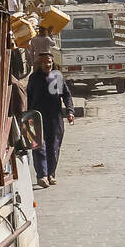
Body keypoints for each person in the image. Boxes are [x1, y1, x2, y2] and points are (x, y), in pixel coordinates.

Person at [26, 52, 74, 187]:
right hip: (36, 117)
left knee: (54, 147)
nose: (48, 65)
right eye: (45, 62)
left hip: (55, 117)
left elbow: (66, 95)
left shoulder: (57, 76)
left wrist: (70, 111)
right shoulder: (34, 78)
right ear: (40, 64)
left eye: (50, 62)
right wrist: (26, 116)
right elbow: (28, 97)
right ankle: (42, 176)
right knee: (39, 146)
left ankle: (51, 174)